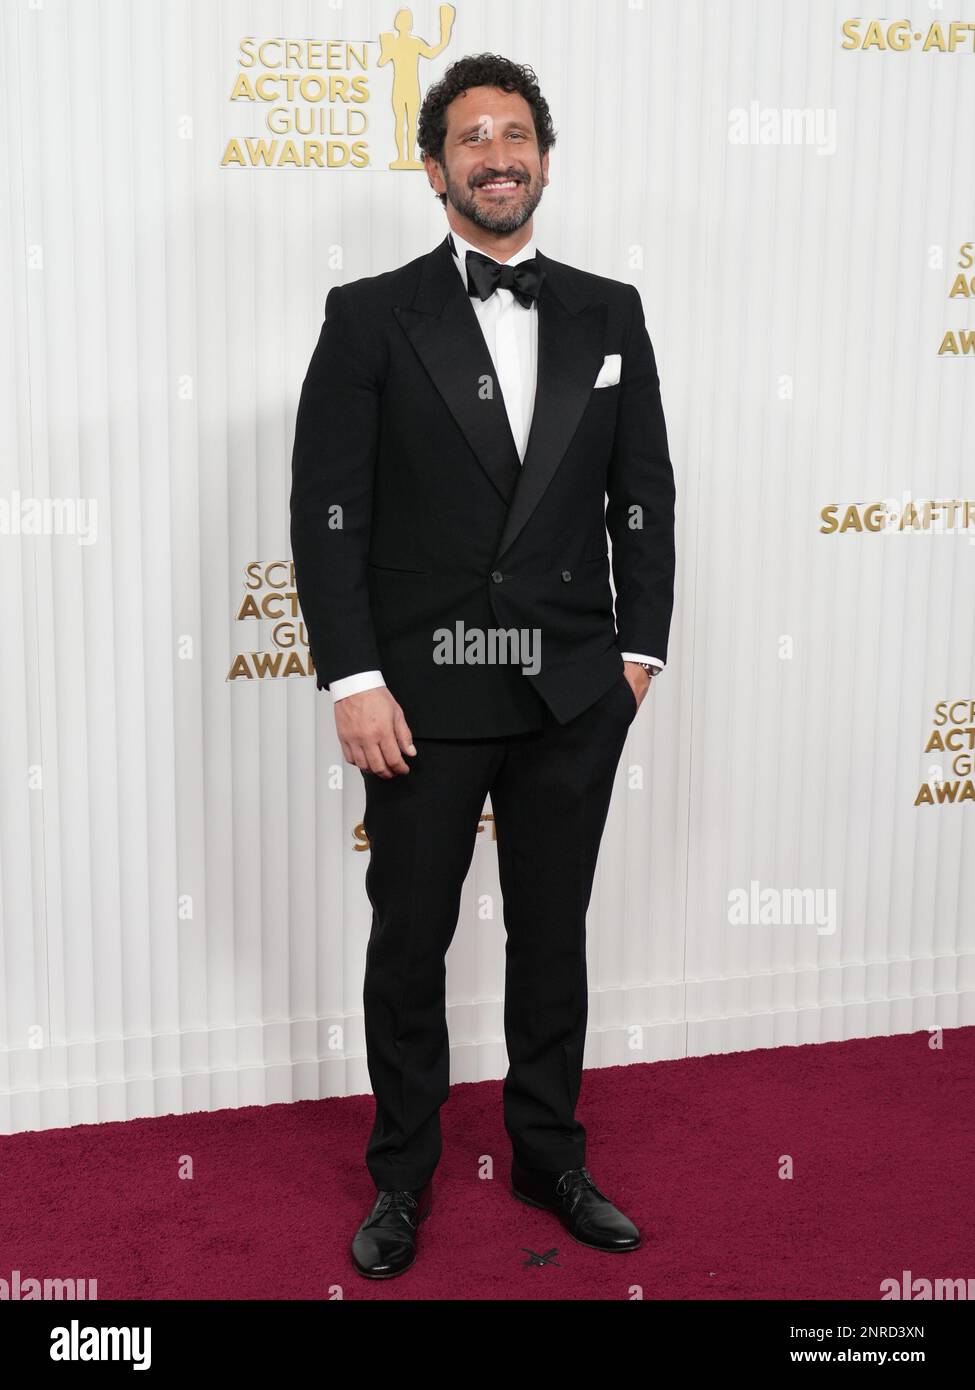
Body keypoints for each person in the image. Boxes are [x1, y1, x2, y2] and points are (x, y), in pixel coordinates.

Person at [289, 52, 676, 1279]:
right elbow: (328, 509)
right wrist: (354, 679)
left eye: (517, 134)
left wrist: (637, 650)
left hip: (571, 689)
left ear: (544, 158)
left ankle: (551, 1156)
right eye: (472, 136)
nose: (497, 154)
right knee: (411, 938)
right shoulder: (368, 314)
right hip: (424, 692)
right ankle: (402, 1176)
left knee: (553, 932)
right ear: (435, 165)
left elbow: (643, 494)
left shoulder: (609, 310)